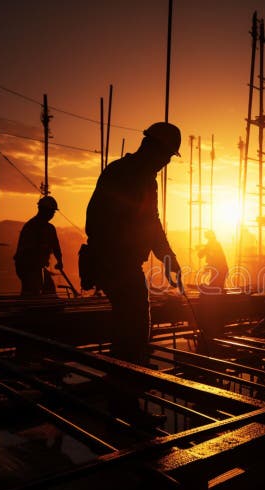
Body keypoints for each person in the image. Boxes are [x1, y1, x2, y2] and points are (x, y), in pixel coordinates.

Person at [84, 122, 182, 365]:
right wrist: (114, 256)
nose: (166, 162)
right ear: (152, 147)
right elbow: (95, 220)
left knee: (134, 316)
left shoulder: (147, 180)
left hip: (124, 263)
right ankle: (127, 371)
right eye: (167, 155)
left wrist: (168, 258)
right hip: (113, 262)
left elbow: (152, 223)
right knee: (134, 315)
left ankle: (129, 365)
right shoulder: (121, 173)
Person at [14, 195, 63, 296]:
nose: (52, 214)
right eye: (51, 212)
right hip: (27, 266)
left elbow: (56, 246)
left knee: (48, 290)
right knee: (33, 291)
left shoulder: (50, 229)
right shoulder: (31, 227)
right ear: (43, 210)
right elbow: (27, 251)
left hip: (38, 267)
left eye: (53, 212)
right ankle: (27, 308)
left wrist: (60, 261)